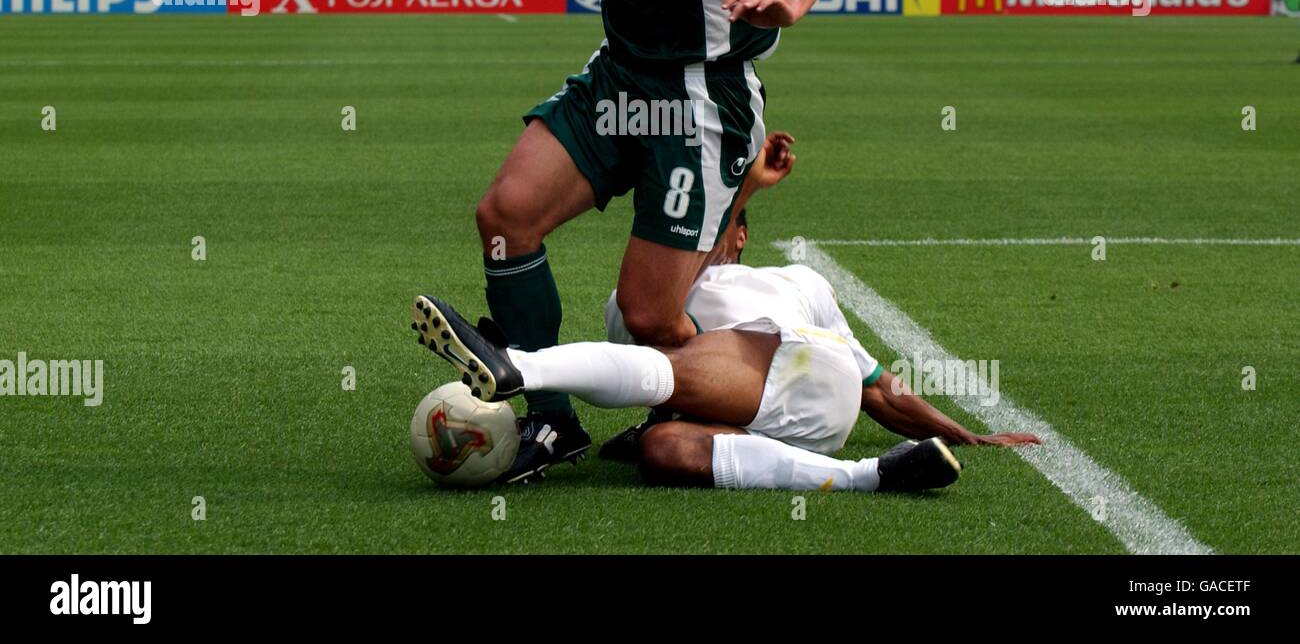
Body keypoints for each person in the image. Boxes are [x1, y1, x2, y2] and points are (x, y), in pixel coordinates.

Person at [411, 0, 835, 482]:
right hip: (619, 80)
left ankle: (733, 405)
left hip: (698, 103)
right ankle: (551, 421)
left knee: (649, 316)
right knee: (506, 215)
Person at [410, 135, 1038, 491]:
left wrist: (963, 430)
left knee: (669, 358)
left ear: (739, 238)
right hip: (785, 430)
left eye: (726, 224)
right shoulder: (634, 303)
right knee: (663, 451)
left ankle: (517, 365)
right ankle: (868, 476)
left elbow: (881, 388)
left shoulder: (794, 280)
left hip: (804, 371)